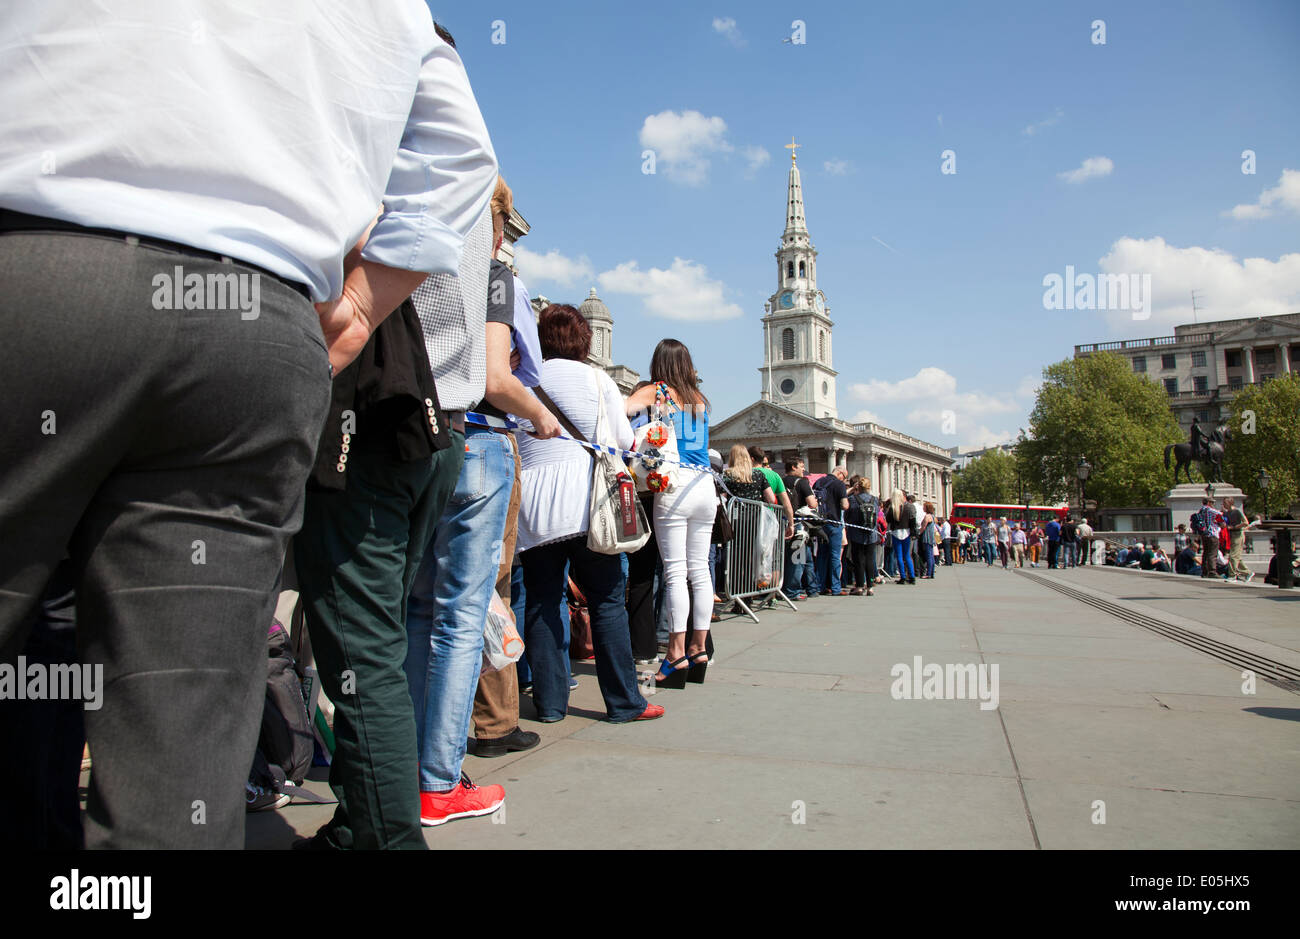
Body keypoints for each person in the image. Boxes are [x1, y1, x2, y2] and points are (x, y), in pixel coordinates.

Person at [0, 5, 496, 849]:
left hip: (40, 265)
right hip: (253, 325)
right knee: (178, 752)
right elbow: (460, 157)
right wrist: (364, 302)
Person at [516, 305, 661, 721]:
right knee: (607, 601)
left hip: (537, 505)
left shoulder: (526, 377)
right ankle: (623, 702)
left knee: (543, 602)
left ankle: (549, 704)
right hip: (588, 502)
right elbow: (621, 440)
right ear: (585, 340)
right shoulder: (597, 379)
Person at [626, 340, 719, 687]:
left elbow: (624, 409)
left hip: (674, 485)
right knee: (700, 570)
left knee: (675, 573)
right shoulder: (699, 400)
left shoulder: (658, 390)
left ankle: (676, 653)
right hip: (705, 487)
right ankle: (699, 648)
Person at [812, 467, 852, 596]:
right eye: (844, 477)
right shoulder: (839, 485)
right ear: (840, 473)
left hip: (820, 523)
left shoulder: (818, 482)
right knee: (835, 556)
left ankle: (819, 585)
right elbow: (845, 505)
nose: (843, 480)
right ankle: (836, 587)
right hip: (834, 523)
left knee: (822, 555)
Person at [782, 457, 818, 599]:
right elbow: (812, 503)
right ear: (793, 467)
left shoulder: (781, 481)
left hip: (784, 522)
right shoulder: (802, 482)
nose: (803, 469)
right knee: (798, 558)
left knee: (806, 557)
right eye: (801, 466)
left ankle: (812, 587)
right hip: (799, 525)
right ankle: (792, 591)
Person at [845, 478, 880, 595]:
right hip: (871, 534)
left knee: (858, 560)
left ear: (857, 487)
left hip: (856, 534)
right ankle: (870, 586)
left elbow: (847, 516)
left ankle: (859, 586)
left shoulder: (852, 499)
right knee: (870, 560)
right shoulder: (875, 500)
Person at [885, 489, 916, 584]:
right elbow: (912, 520)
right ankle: (912, 576)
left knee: (899, 556)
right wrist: (913, 532)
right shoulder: (909, 507)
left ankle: (902, 576)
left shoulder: (892, 508)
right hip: (906, 531)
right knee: (907, 555)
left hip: (896, 532)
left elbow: (888, 520)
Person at [1192, 498, 1224, 580]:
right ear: (1209, 502)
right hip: (1212, 533)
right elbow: (1221, 514)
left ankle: (1204, 571)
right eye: (1212, 502)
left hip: (1204, 534)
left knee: (1205, 552)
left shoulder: (1201, 510)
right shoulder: (1209, 509)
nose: (1213, 504)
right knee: (1213, 553)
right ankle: (1212, 571)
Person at [1221, 497, 1251, 582]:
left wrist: (1234, 527)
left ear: (1230, 503)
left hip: (1238, 534)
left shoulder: (1237, 511)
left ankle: (1232, 575)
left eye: (1225, 503)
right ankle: (1247, 572)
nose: (1224, 505)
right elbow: (1224, 524)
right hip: (1232, 535)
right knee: (1236, 556)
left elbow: (1245, 523)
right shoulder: (1226, 513)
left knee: (1233, 556)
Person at [918, 502, 939, 578]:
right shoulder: (933, 516)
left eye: (924, 507)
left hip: (927, 536)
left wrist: (919, 533)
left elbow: (923, 527)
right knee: (931, 556)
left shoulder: (927, 516)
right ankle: (931, 572)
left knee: (929, 555)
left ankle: (929, 573)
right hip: (931, 536)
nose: (923, 508)